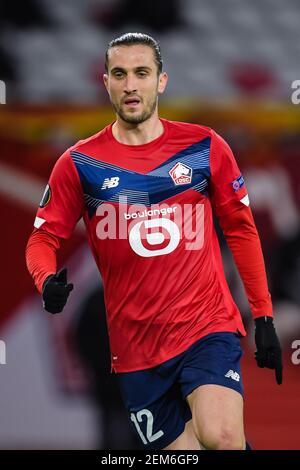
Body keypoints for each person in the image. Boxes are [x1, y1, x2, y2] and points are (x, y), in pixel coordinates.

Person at [26, 32, 282, 450]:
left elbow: (241, 228)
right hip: (136, 350)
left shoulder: (205, 147)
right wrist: (45, 280)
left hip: (206, 326)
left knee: (222, 436)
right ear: (105, 81)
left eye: (142, 73)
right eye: (120, 74)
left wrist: (264, 317)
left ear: (161, 80)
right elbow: (42, 238)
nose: (131, 85)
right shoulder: (78, 163)